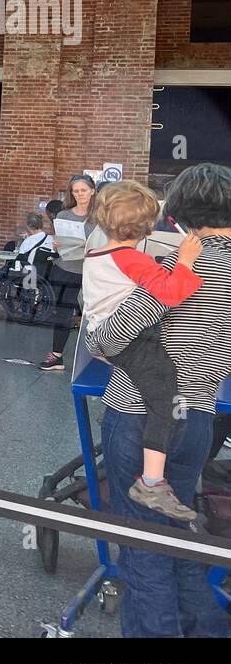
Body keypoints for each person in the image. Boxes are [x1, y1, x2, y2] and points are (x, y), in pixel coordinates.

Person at [88, 163, 231, 638]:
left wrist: (92, 333)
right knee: (177, 537)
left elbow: (112, 337)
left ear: (182, 214)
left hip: (141, 415)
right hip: (200, 416)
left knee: (144, 542)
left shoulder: (178, 266)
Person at [81, 181, 204, 521]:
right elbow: (171, 293)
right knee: (163, 398)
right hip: (131, 344)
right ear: (148, 226)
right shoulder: (133, 260)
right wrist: (187, 259)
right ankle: (151, 481)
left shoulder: (96, 255)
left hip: (103, 338)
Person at [38, 174, 96, 371]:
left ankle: (98, 355)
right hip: (66, 268)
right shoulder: (64, 216)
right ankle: (56, 355)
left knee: (96, 312)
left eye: (83, 190)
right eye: (76, 191)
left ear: (92, 191)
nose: (80, 194)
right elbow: (57, 247)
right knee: (62, 312)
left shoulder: (101, 217)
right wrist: (56, 246)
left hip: (92, 271)